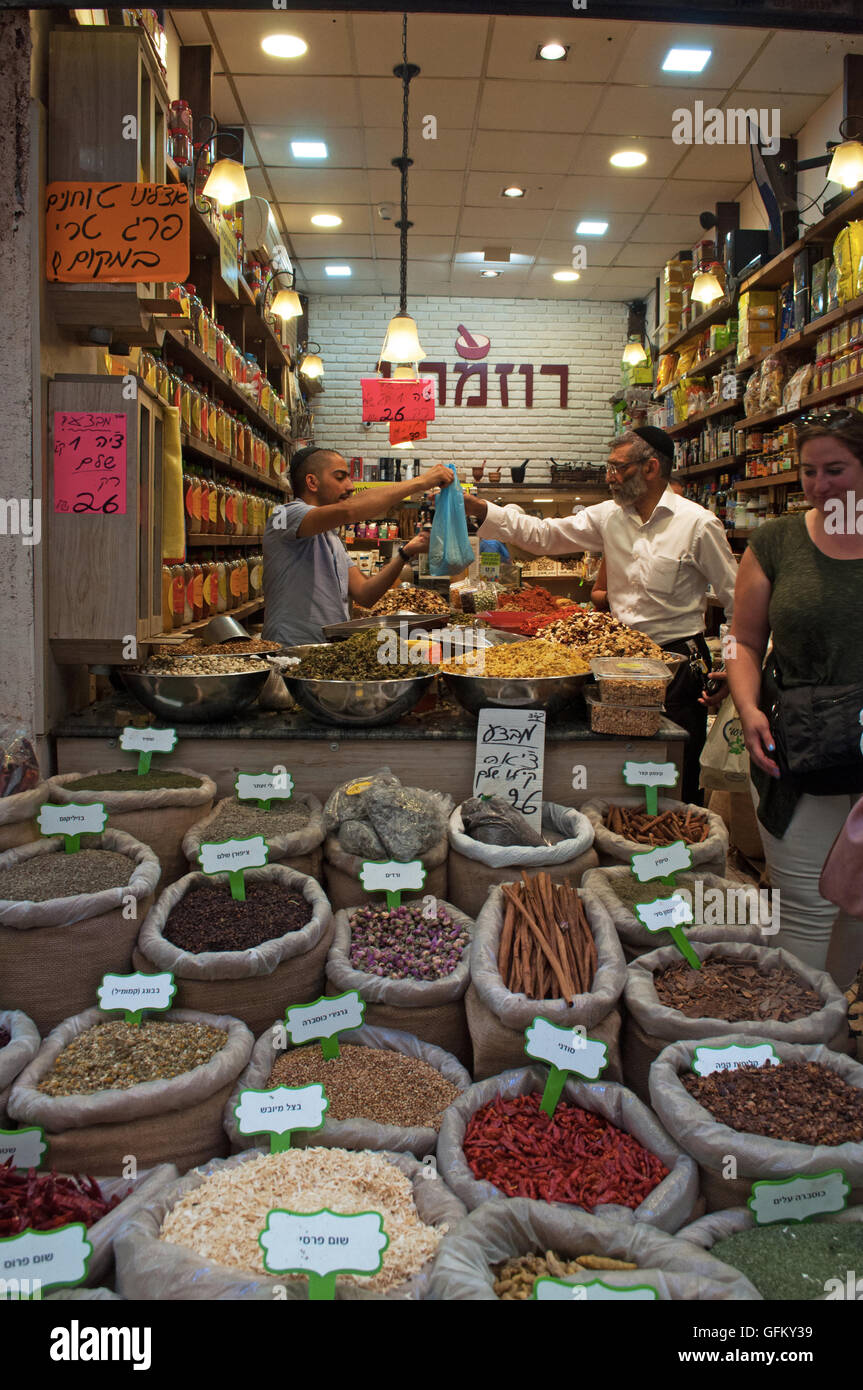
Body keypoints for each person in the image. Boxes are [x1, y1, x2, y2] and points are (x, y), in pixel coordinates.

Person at [463, 427, 738, 803]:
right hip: (619, 661)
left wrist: (735, 667)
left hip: (675, 664)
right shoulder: (609, 516)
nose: (608, 476)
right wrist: (483, 510)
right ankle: (623, 832)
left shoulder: (698, 524)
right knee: (621, 755)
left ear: (651, 467)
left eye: (617, 467)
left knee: (675, 761)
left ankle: (679, 841)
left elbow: (738, 601)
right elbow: (544, 535)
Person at [725, 406, 863, 980]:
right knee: (804, 905)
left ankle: (833, 1035)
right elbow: (741, 641)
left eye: (835, 470)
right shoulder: (778, 540)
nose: (819, 485)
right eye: (808, 472)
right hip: (796, 748)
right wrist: (748, 706)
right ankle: (797, 1038)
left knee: (857, 908)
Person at [262, 447, 453, 646]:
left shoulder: (330, 536)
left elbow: (365, 594)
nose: (350, 486)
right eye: (340, 477)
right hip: (288, 651)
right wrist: (420, 482)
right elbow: (349, 511)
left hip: (326, 651)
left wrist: (405, 553)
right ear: (312, 482)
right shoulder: (283, 516)